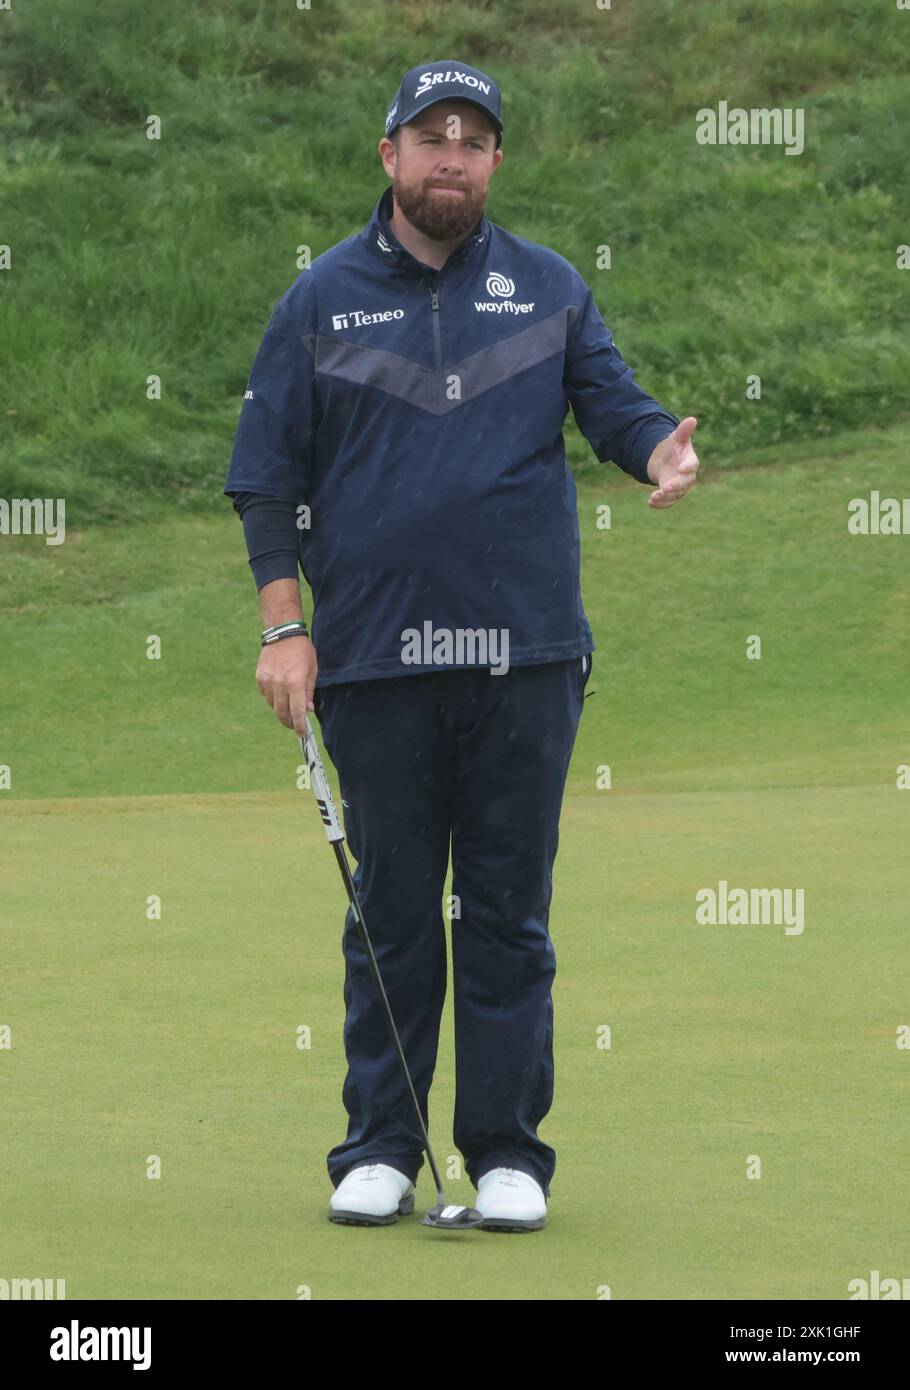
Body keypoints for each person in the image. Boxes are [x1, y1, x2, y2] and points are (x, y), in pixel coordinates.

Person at [224, 59, 699, 1232]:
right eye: (429, 136)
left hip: (524, 655)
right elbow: (265, 480)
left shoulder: (546, 288)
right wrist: (284, 626)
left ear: (493, 162)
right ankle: (379, 1147)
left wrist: (657, 455)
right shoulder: (322, 299)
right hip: (377, 660)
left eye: (472, 140)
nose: (451, 155)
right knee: (388, 912)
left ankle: (506, 1156)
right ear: (389, 157)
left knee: (504, 912)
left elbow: (617, 406)